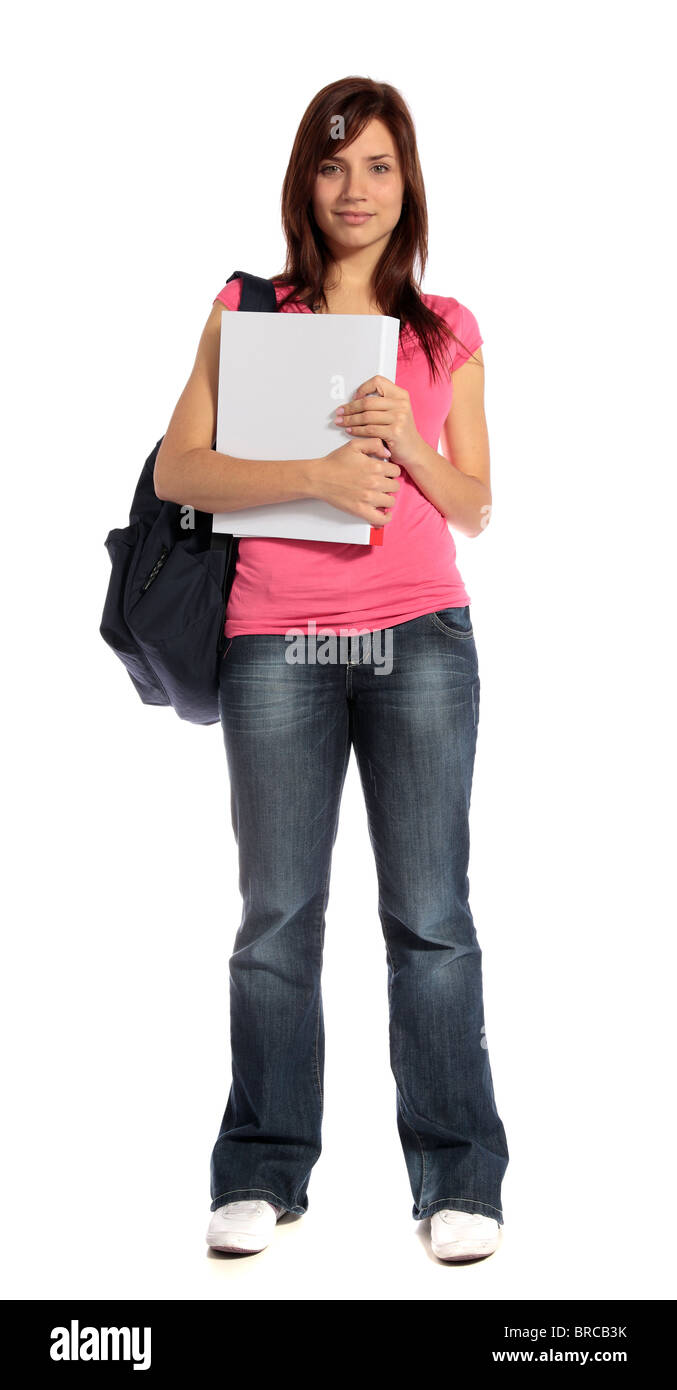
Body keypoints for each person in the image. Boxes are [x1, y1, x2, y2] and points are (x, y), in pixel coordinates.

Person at [154, 76, 509, 1264]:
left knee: (430, 919)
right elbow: (180, 474)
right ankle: (261, 1168)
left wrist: (401, 437)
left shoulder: (443, 327)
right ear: (304, 179)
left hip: (417, 639)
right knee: (276, 918)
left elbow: (475, 506)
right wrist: (310, 475)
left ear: (406, 186)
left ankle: (457, 1178)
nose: (353, 189)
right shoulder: (248, 310)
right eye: (331, 163)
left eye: (377, 167)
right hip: (279, 643)